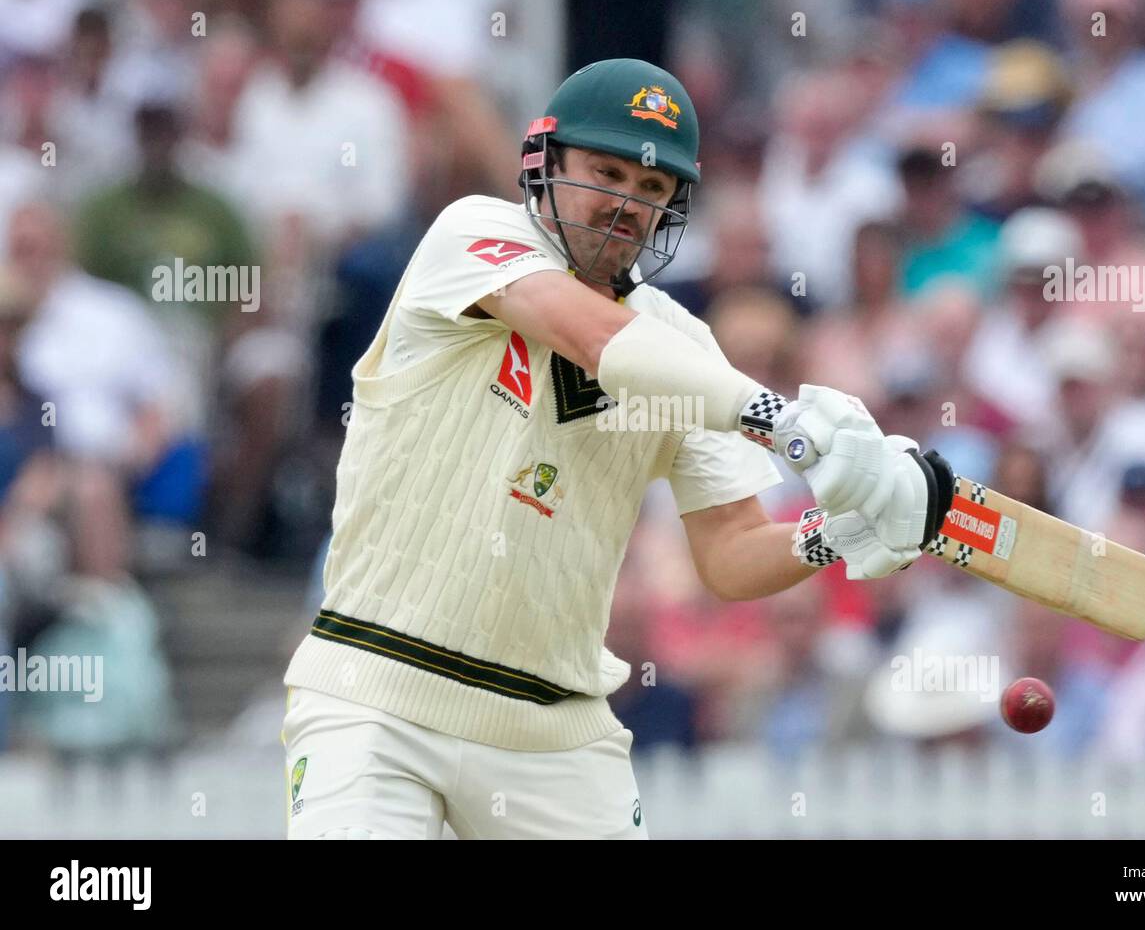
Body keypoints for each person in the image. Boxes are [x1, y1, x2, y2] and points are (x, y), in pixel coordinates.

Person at [281, 58, 954, 839]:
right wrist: (787, 424)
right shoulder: (472, 234)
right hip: (376, 690)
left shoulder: (686, 345)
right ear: (545, 163)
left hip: (554, 732)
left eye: (652, 190)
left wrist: (838, 531)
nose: (626, 204)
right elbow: (598, 338)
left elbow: (732, 553)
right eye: (606, 173)